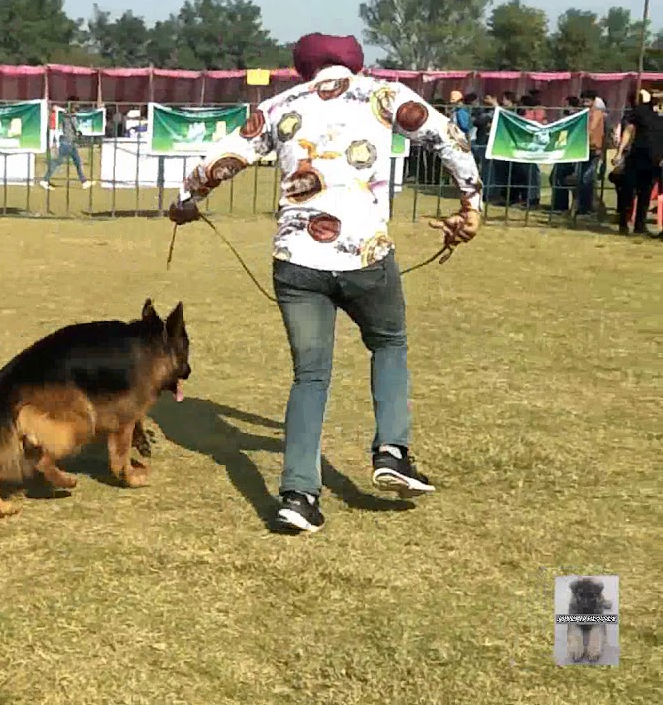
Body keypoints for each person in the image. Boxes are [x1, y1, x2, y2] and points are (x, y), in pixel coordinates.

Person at [165, 33, 482, 533]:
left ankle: (297, 495)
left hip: (296, 263)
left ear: (302, 68)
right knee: (389, 343)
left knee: (310, 377)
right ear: (355, 65)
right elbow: (447, 137)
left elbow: (224, 158)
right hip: (366, 255)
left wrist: (186, 200)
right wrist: (472, 205)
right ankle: (391, 452)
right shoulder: (385, 95)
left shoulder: (278, 106)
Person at [612, 90, 662, 236]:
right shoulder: (641, 110)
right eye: (655, 94)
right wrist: (619, 152)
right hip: (636, 157)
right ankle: (623, 224)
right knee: (628, 192)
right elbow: (628, 130)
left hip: (656, 161)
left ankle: (640, 226)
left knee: (645, 195)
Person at [39, 95, 92, 190]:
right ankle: (45, 180)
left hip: (68, 142)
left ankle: (84, 181)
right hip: (68, 143)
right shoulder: (71, 116)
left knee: (76, 162)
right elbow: (76, 128)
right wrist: (80, 135)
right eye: (76, 104)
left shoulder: (65, 114)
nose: (78, 106)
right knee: (60, 162)